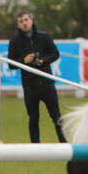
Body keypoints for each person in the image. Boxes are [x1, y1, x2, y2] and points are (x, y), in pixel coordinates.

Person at [9, 11, 67, 144]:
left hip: (47, 84)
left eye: (26, 20)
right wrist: (24, 60)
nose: (24, 23)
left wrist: (43, 61)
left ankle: (64, 144)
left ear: (31, 20)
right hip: (29, 87)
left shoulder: (44, 37)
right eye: (21, 21)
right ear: (18, 25)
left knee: (56, 116)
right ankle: (35, 147)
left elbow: (55, 54)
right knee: (33, 118)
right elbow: (10, 64)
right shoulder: (14, 42)